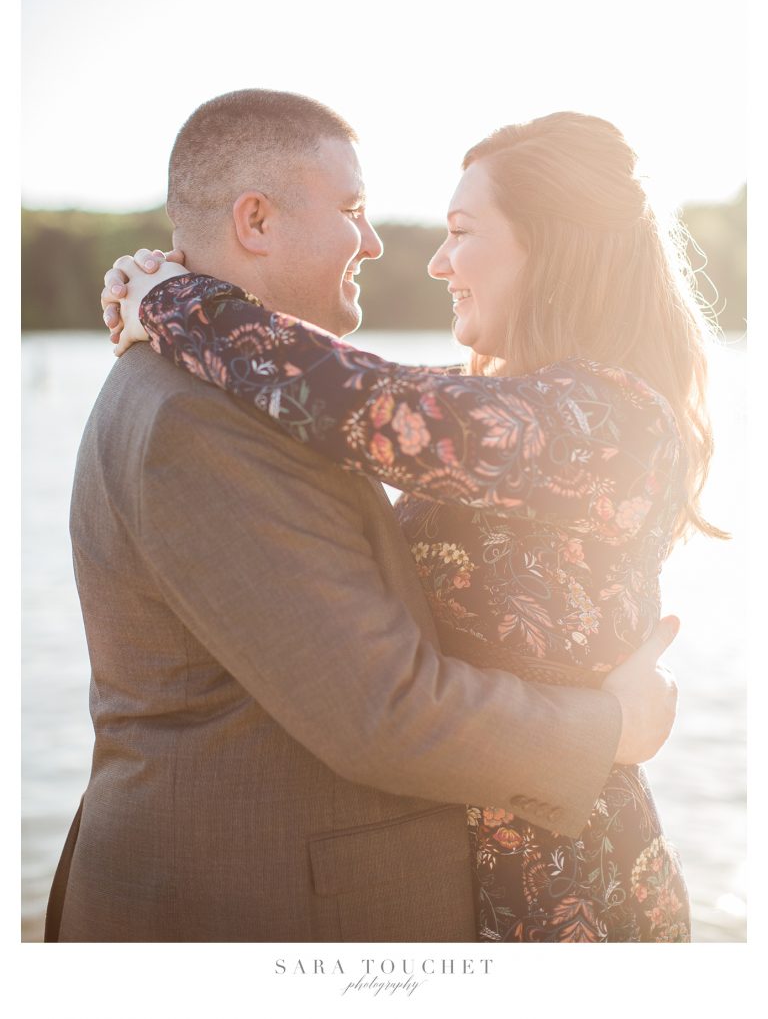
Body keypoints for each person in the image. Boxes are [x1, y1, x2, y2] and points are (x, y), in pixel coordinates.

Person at [49, 91, 678, 944]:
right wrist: (176, 297)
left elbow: (369, 400)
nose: (424, 258)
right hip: (488, 850)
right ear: (258, 220)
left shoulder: (599, 420)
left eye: (461, 231)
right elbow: (365, 394)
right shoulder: (212, 409)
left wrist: (176, 299)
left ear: (548, 249)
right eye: (354, 211)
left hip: (563, 878)